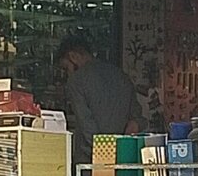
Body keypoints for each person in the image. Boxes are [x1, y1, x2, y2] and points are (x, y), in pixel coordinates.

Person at [56, 34, 142, 163]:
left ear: (73, 56)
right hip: (123, 157)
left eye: (66, 68)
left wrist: (104, 153)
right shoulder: (121, 75)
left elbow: (86, 124)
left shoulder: (76, 80)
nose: (67, 73)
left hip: (91, 158)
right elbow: (136, 119)